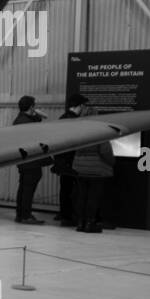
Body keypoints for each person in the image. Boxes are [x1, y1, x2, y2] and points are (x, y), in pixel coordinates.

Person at [70, 103, 114, 233]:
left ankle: (80, 223)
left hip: (79, 168)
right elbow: (105, 151)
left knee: (81, 196)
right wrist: (112, 162)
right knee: (93, 198)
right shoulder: (100, 131)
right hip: (96, 169)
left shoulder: (78, 130)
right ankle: (90, 223)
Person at [12, 95, 50, 224]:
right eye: (35, 105)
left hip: (24, 160)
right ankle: (26, 215)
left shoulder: (20, 120)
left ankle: (21, 214)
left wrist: (38, 115)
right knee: (28, 189)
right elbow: (37, 137)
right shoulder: (27, 123)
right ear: (31, 106)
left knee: (23, 187)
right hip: (31, 160)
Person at [51, 93, 87, 226]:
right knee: (73, 190)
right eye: (83, 105)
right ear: (79, 106)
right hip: (71, 161)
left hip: (62, 160)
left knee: (65, 189)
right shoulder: (75, 121)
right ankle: (70, 216)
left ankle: (64, 214)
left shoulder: (62, 118)